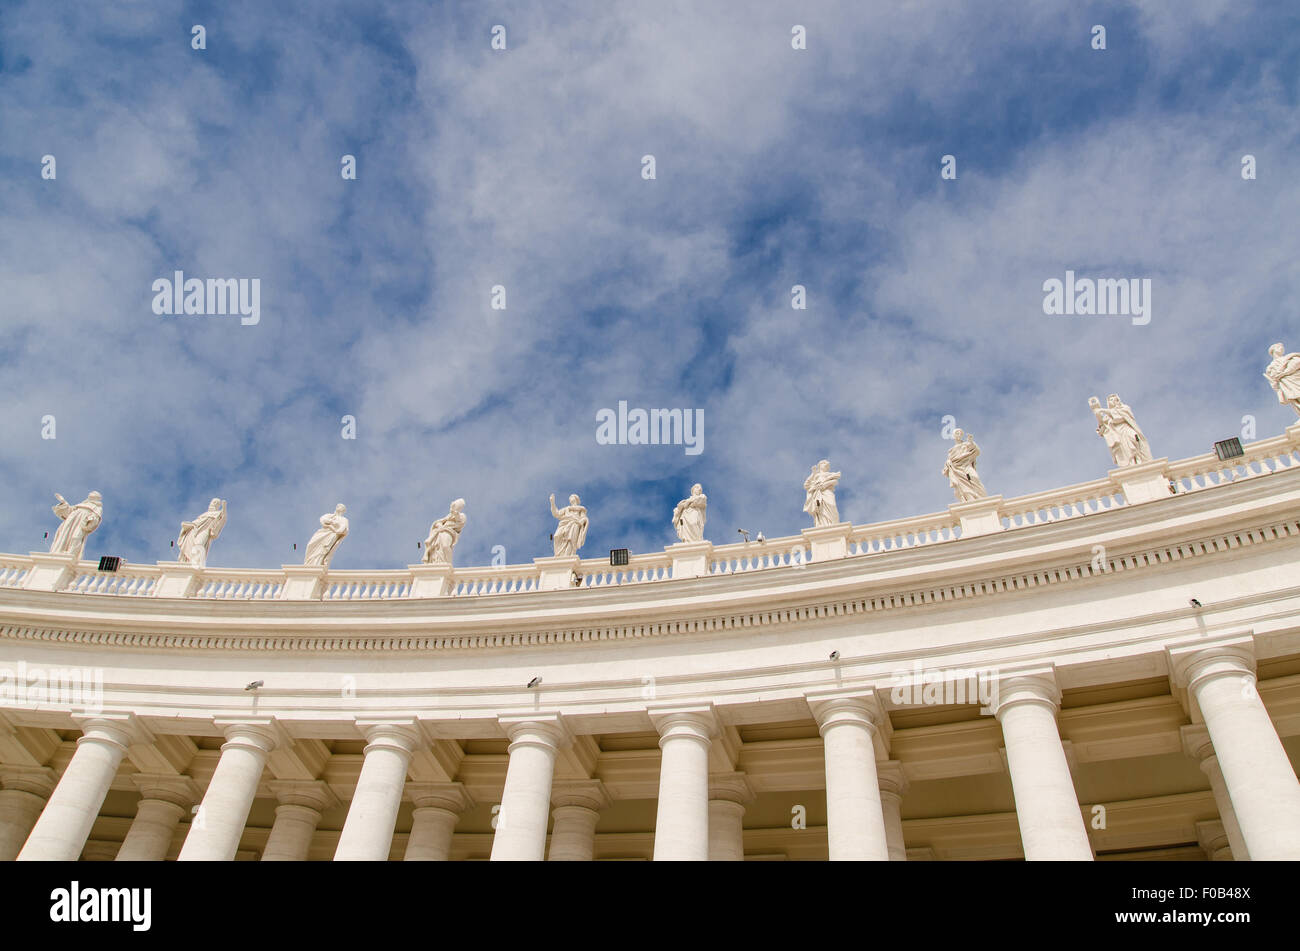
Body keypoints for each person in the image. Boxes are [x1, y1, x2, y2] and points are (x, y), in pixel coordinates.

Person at [50, 491, 103, 560]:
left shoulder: (98, 508)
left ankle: (71, 553)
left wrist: (91, 519)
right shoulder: (82, 504)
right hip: (71, 520)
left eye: (93, 494)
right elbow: (69, 512)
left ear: (97, 497)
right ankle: (60, 551)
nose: (90, 494)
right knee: (65, 534)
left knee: (76, 537)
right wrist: (63, 502)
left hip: (83, 522)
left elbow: (96, 517)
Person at [177, 498, 227, 567]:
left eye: (217, 503)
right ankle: (188, 563)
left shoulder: (218, 513)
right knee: (190, 546)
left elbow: (223, 519)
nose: (214, 504)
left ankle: (195, 563)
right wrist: (188, 525)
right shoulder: (204, 514)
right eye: (213, 502)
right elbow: (197, 522)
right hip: (194, 530)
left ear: (219, 506)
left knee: (199, 545)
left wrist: (224, 508)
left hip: (205, 530)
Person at [943, 430, 987, 502]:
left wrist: (971, 442)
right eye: (957, 433)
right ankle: (970, 498)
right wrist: (948, 463)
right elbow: (949, 461)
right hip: (957, 469)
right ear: (953, 436)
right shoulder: (951, 450)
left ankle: (981, 497)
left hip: (967, 465)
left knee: (974, 477)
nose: (959, 434)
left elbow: (977, 450)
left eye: (960, 433)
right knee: (962, 485)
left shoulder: (967, 444)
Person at [423, 499, 467, 565]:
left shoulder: (461, 515)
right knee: (438, 548)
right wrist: (439, 525)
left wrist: (455, 513)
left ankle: (447, 562)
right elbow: (438, 522)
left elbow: (460, 521)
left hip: (449, 532)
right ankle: (439, 562)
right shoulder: (449, 515)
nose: (454, 506)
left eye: (456, 505)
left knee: (445, 546)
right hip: (440, 532)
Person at [1264, 342, 1300, 417]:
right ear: (1273, 350)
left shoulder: (1291, 357)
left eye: (1282, 348)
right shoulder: (1271, 367)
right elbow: (1274, 381)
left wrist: (1284, 373)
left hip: (1296, 380)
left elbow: (1297, 363)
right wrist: (1276, 387)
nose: (1281, 349)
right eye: (1279, 347)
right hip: (1286, 384)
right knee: (1294, 399)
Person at [802, 460, 841, 527]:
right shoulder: (815, 475)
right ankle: (822, 524)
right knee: (820, 508)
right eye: (824, 463)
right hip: (818, 494)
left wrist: (825, 485)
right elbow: (806, 485)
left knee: (831, 505)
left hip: (827, 492)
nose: (826, 465)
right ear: (820, 465)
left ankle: (833, 523)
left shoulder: (830, 474)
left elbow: (835, 481)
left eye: (827, 464)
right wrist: (813, 473)